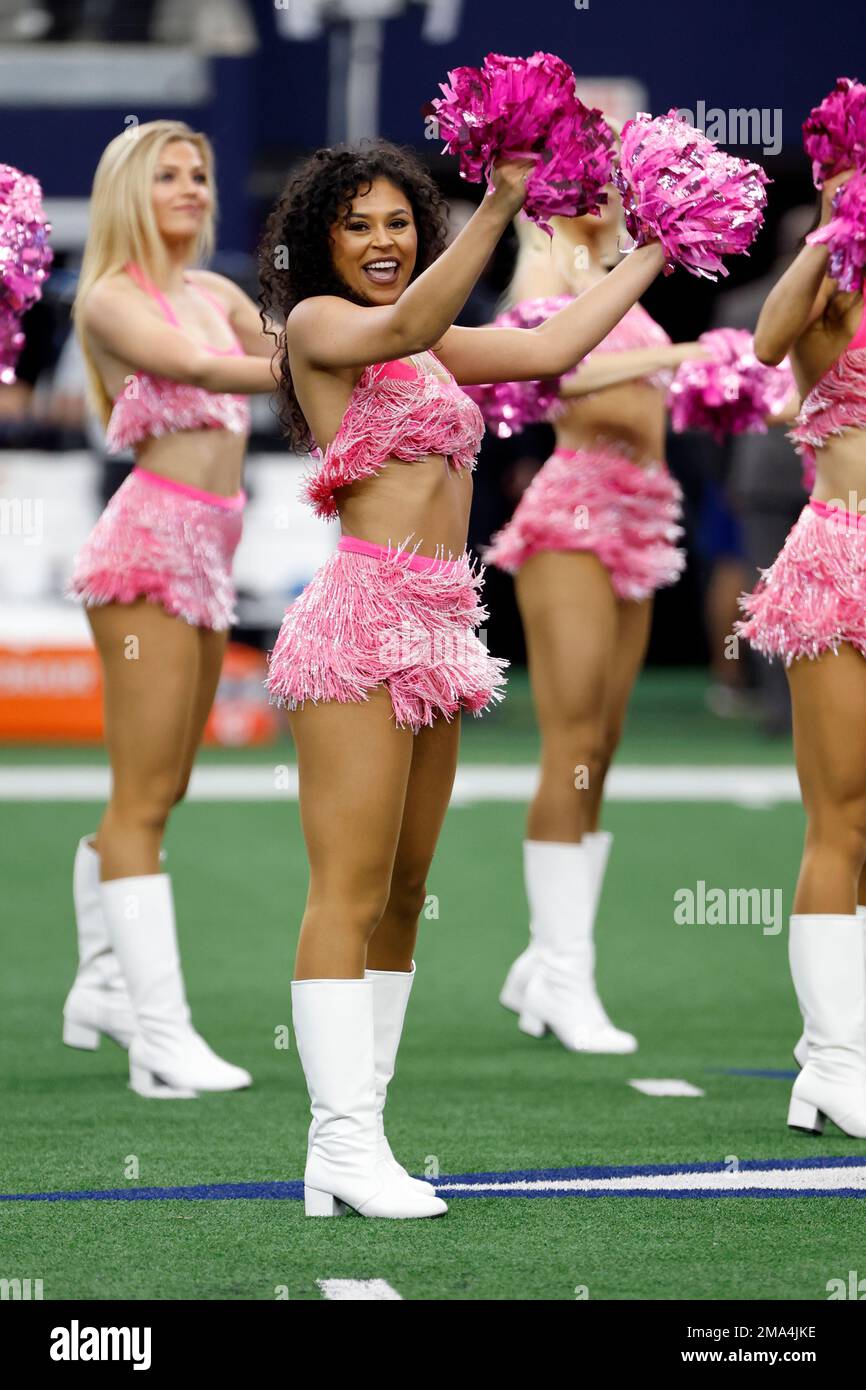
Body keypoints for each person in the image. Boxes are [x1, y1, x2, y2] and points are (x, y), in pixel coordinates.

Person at [258, 138, 667, 1218]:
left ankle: (360, 1135)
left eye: (400, 221)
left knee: (402, 888)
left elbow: (554, 348)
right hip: (359, 621)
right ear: (320, 240)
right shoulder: (321, 327)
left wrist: (656, 246)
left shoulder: (432, 350)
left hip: (439, 629)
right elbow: (399, 322)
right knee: (346, 888)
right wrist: (500, 203)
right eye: (359, 224)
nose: (384, 241)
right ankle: (339, 1142)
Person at [64, 120, 276, 1099]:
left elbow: (278, 342)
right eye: (167, 176)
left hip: (211, 553)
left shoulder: (218, 292)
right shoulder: (112, 297)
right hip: (148, 548)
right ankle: (159, 1030)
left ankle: (105, 984)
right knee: (143, 795)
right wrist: (312, 365)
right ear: (127, 195)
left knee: (165, 785)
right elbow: (196, 371)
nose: (192, 187)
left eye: (200, 171)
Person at [481, 203, 706, 1053]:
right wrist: (676, 354)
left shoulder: (616, 277)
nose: (617, 200)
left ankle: (547, 964)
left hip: (641, 510)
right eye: (601, 185)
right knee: (572, 741)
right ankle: (567, 975)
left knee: (604, 742)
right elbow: (544, 377)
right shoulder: (544, 275)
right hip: (574, 507)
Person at [737, 168, 866, 1137]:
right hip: (839, 552)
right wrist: (831, 226)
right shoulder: (824, 290)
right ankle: (828, 1061)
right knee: (843, 819)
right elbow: (766, 340)